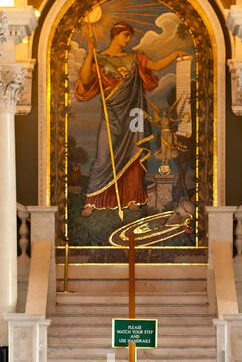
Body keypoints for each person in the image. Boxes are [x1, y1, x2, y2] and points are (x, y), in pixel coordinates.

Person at [75, 20, 189, 216]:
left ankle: (132, 198)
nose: (128, 39)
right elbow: (85, 80)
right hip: (111, 115)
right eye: (125, 35)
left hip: (133, 115)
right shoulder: (100, 59)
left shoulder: (135, 58)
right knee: (103, 156)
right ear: (116, 34)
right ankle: (93, 200)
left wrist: (175, 54)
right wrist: (90, 54)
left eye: (129, 36)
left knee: (134, 157)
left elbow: (156, 65)